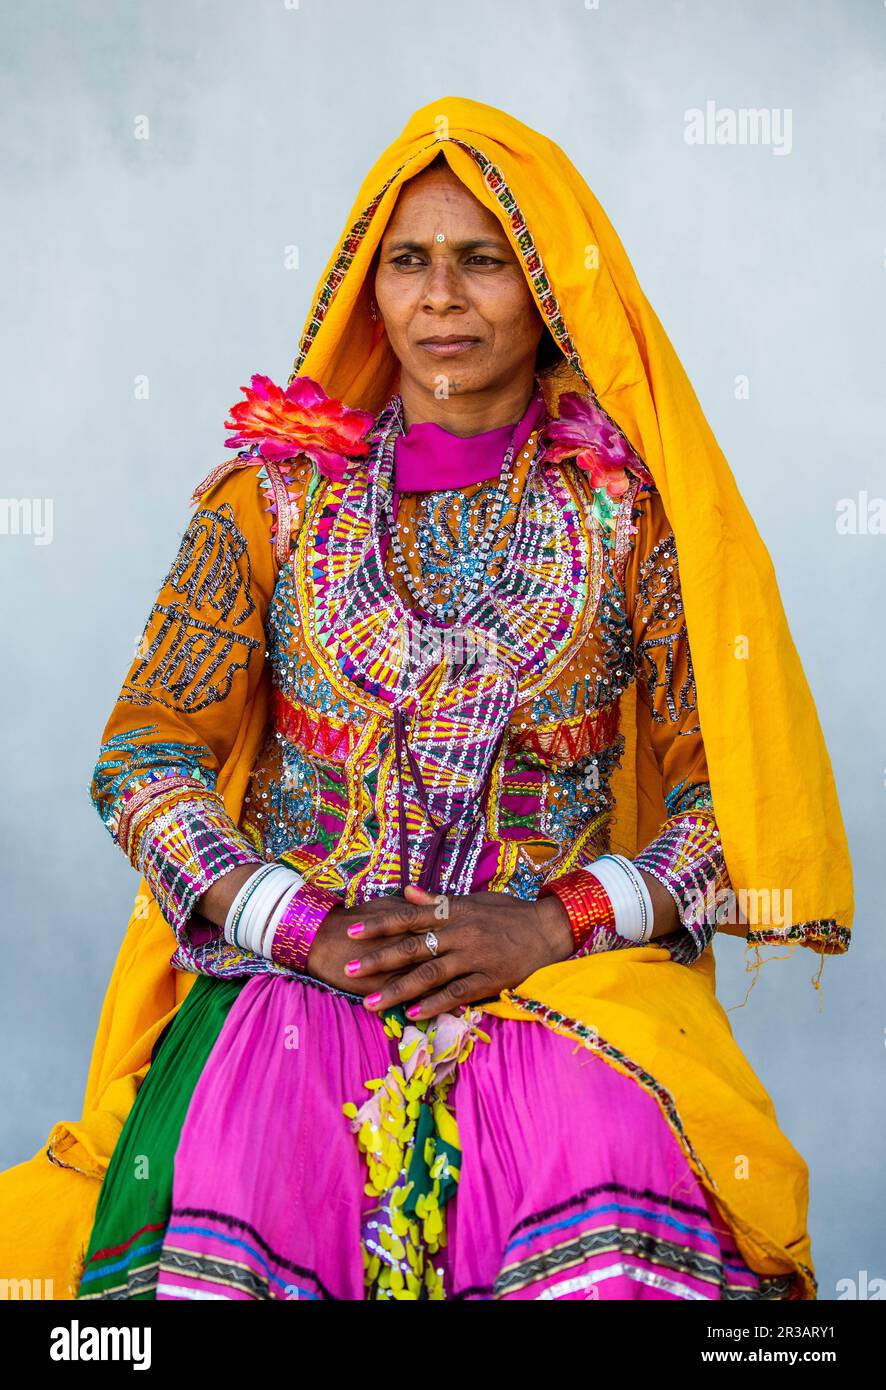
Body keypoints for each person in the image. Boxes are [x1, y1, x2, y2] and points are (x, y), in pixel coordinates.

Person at [0, 98, 853, 1302]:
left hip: (561, 979)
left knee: (596, 1152)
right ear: (369, 288)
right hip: (295, 975)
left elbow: (733, 802)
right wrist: (302, 927)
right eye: (409, 261)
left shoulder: (628, 520)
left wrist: (554, 926)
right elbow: (141, 761)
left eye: (481, 260)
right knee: (252, 1161)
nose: (441, 298)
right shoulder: (270, 502)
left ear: (546, 283)